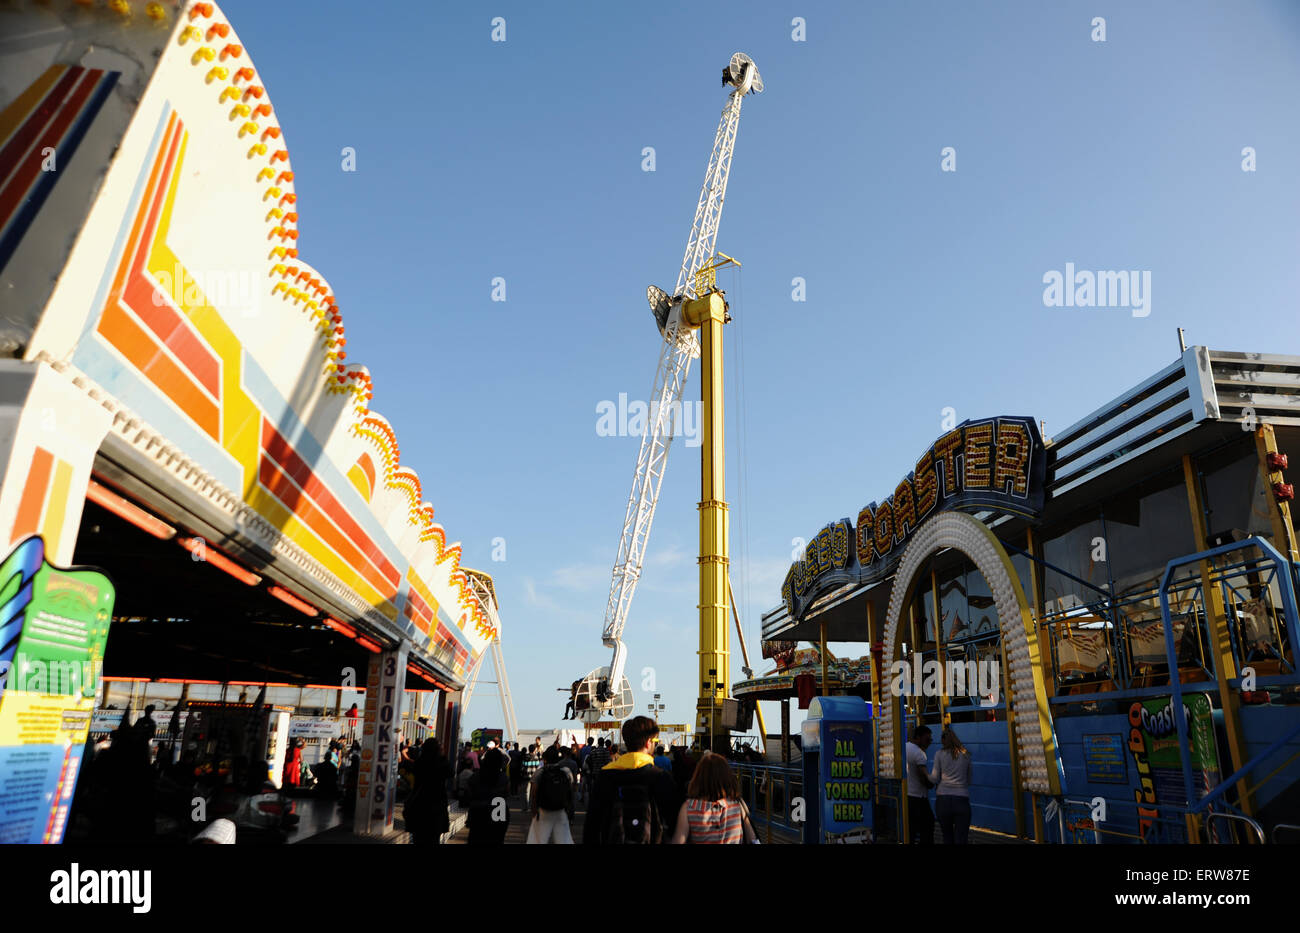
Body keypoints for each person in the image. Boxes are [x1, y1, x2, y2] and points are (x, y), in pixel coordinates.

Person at [583, 717, 676, 844]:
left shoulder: (605, 776)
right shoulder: (660, 777)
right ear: (648, 743)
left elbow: (592, 824)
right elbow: (672, 822)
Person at [670, 751, 756, 844]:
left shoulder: (688, 808)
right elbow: (753, 840)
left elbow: (678, 840)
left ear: (699, 776)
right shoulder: (737, 805)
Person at [929, 727, 972, 844]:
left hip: (943, 800)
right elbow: (969, 780)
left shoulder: (939, 754)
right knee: (961, 838)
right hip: (962, 799)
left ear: (944, 740)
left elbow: (934, 778)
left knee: (947, 837)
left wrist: (923, 772)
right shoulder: (966, 754)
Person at [405, 737, 451, 845]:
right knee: (433, 839)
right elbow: (450, 773)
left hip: (419, 806)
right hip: (436, 807)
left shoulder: (420, 762)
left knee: (418, 838)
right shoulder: (442, 764)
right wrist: (442, 756)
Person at [526, 746, 574, 844]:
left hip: (543, 810)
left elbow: (534, 792)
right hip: (561, 810)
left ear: (545, 759)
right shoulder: (566, 772)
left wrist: (533, 809)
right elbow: (570, 789)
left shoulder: (540, 772)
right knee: (564, 840)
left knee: (537, 839)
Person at [906, 724, 935, 845]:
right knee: (928, 825)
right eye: (927, 739)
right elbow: (923, 776)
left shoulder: (905, 747)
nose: (929, 742)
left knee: (910, 829)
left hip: (907, 794)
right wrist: (931, 783)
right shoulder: (919, 754)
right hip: (919, 797)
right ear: (918, 737)